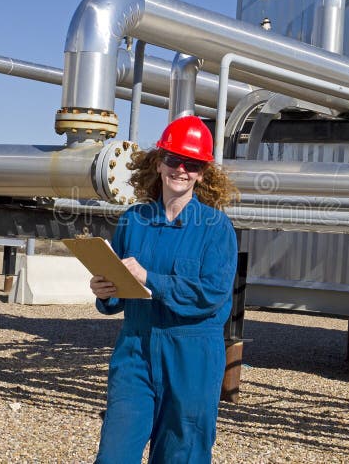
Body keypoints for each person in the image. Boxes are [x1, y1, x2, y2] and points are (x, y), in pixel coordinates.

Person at [89, 115, 238, 463]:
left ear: (202, 173)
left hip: (192, 355)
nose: (180, 170)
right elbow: (118, 294)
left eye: (192, 164)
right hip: (135, 350)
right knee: (114, 454)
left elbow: (211, 294)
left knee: (181, 454)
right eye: (173, 159)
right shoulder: (133, 221)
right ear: (158, 163)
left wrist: (149, 277)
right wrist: (104, 290)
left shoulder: (216, 228)